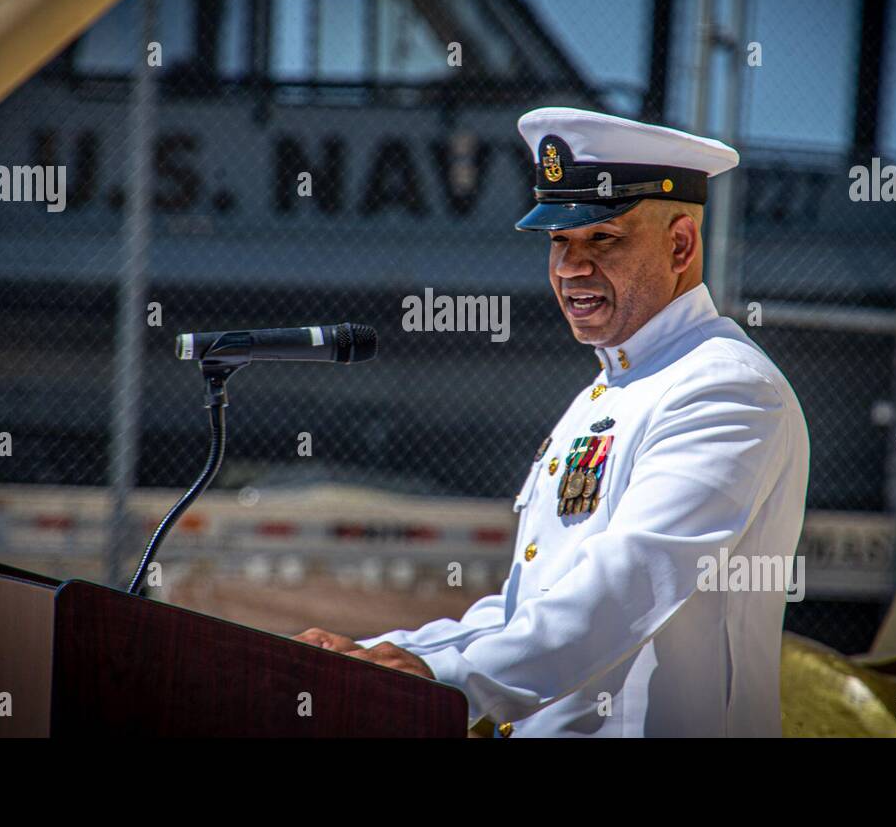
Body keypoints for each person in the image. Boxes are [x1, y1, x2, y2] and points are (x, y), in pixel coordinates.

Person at [296, 107, 810, 737]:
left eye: (603, 239)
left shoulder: (726, 387)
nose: (570, 267)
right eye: (559, 241)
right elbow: (530, 608)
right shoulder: (613, 387)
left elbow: (626, 581)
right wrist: (386, 657)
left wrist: (449, 679)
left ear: (681, 244)